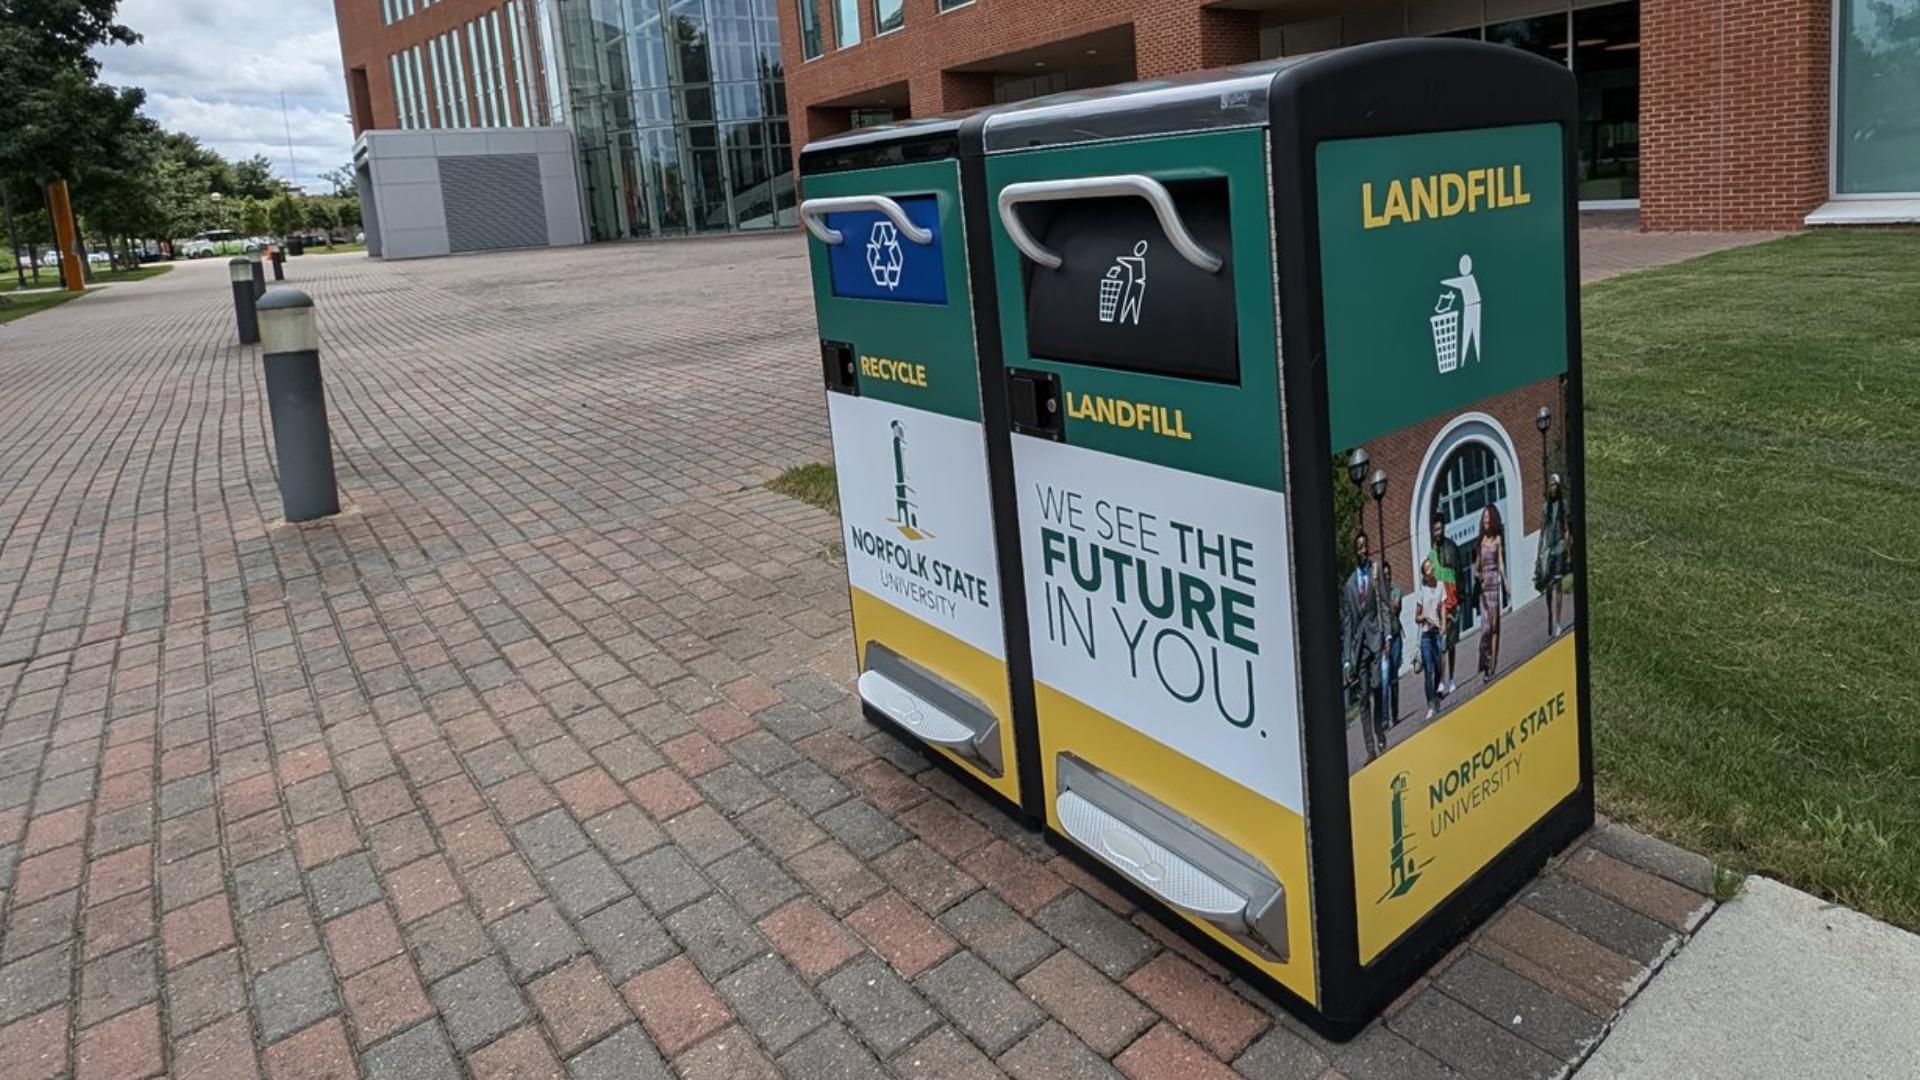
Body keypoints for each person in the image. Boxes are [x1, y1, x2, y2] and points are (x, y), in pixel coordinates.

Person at [1340, 531, 1388, 760]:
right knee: (1364, 698)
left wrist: (1387, 635)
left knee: (1378, 687)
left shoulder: (1375, 572)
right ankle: (1370, 748)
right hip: (1360, 649)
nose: (1364, 550)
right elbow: (1348, 625)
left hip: (1376, 640)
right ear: (1355, 551)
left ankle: (1379, 729)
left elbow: (1385, 605)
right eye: (1359, 547)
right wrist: (1347, 659)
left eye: (1366, 546)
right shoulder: (1349, 585)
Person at [1427, 516, 1471, 695]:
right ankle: (1441, 682)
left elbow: (1460, 573)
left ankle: (1451, 678)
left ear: (1443, 528)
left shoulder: (1452, 547)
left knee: (1451, 645)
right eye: (1434, 530)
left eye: (1439, 529)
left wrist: (1460, 597)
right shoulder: (1431, 553)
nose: (1437, 533)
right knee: (1441, 646)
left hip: (1452, 603)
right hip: (1439, 607)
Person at [1474, 505, 1508, 684]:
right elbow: (1475, 567)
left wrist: (1506, 583)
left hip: (1494, 584)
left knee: (1495, 628)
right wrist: (1477, 575)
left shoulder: (1497, 540)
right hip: (1484, 588)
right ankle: (1485, 662)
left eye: (1488, 517)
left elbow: (1500, 563)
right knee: (1485, 630)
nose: (1485, 520)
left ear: (1492, 519)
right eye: (1483, 518)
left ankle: (1492, 667)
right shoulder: (1481, 542)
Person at [1536, 473, 1572, 636]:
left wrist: (1568, 551)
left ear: (1558, 487)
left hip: (1559, 547)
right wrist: (1538, 553)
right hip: (1548, 549)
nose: (1553, 488)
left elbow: (1566, 528)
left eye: (1555, 485)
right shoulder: (1545, 507)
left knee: (1558, 584)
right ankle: (1550, 613)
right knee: (1549, 586)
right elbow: (1542, 531)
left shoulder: (1563, 505)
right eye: (1550, 485)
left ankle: (1558, 621)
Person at [1413, 558, 1447, 720]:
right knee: (1429, 671)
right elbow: (1416, 617)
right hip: (1426, 636)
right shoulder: (1423, 591)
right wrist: (1424, 616)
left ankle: (1435, 697)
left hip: (1437, 633)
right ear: (1424, 575)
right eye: (1428, 569)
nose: (1431, 569)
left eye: (1431, 566)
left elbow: (1444, 607)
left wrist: (1444, 624)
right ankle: (1431, 705)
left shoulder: (1440, 586)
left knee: (1439, 668)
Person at [1381, 563, 1405, 726]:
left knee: (1394, 678)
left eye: (1389, 574)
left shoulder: (1396, 591)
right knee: (1385, 679)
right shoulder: (1377, 597)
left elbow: (1396, 608)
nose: (1388, 577)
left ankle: (1395, 714)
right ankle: (1384, 718)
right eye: (1385, 575)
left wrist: (1383, 599)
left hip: (1396, 638)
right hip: (1383, 642)